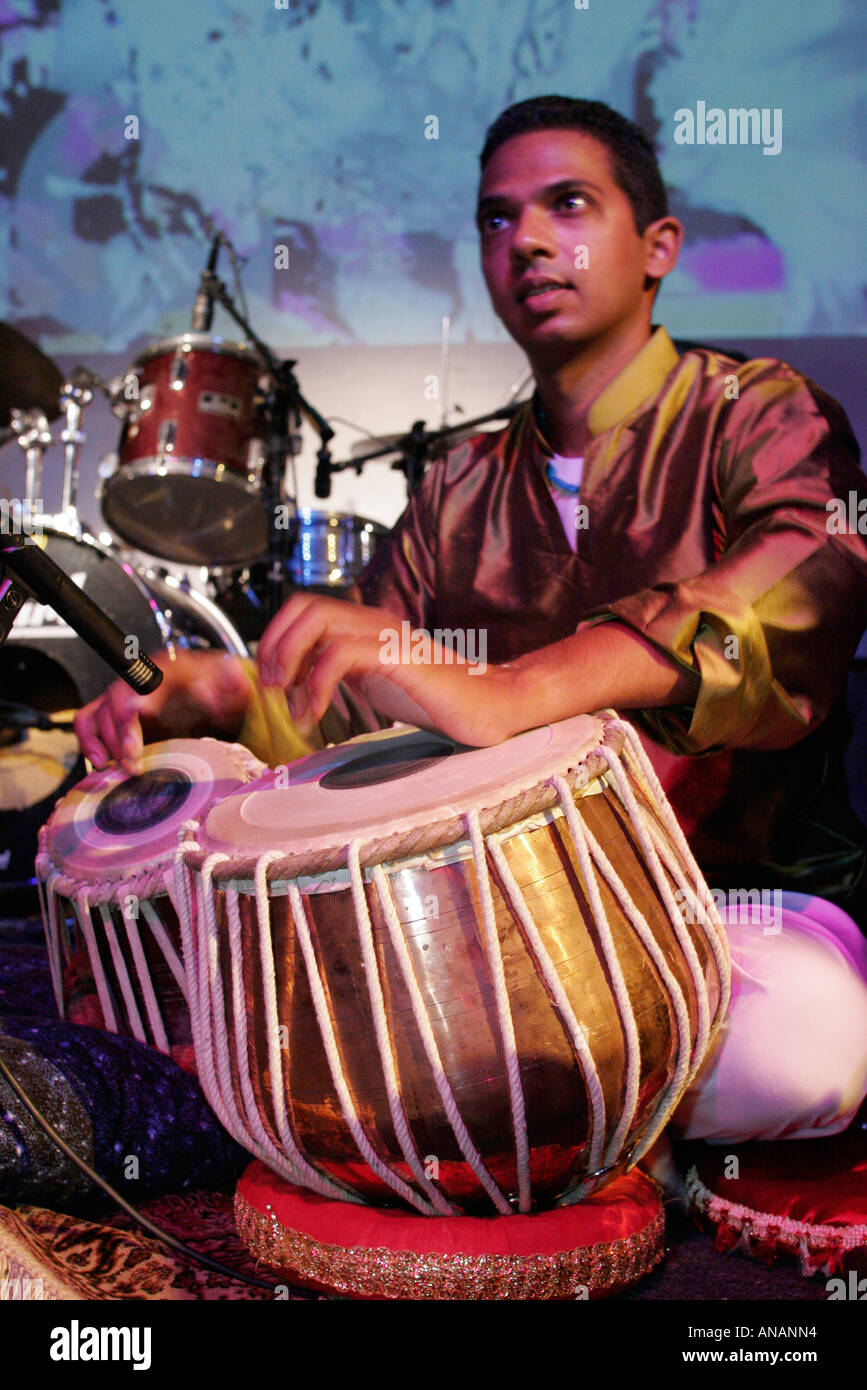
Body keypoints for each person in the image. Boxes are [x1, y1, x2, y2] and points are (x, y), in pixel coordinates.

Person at [75, 96, 867, 1146]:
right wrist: (212, 691)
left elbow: (791, 593)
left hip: (727, 910)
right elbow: (364, 697)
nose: (529, 239)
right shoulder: (458, 488)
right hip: (496, 922)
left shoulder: (761, 411)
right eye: (498, 219)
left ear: (658, 246)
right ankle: (553, 1103)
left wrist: (512, 693)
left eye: (568, 205)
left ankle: (517, 1102)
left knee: (794, 1051)